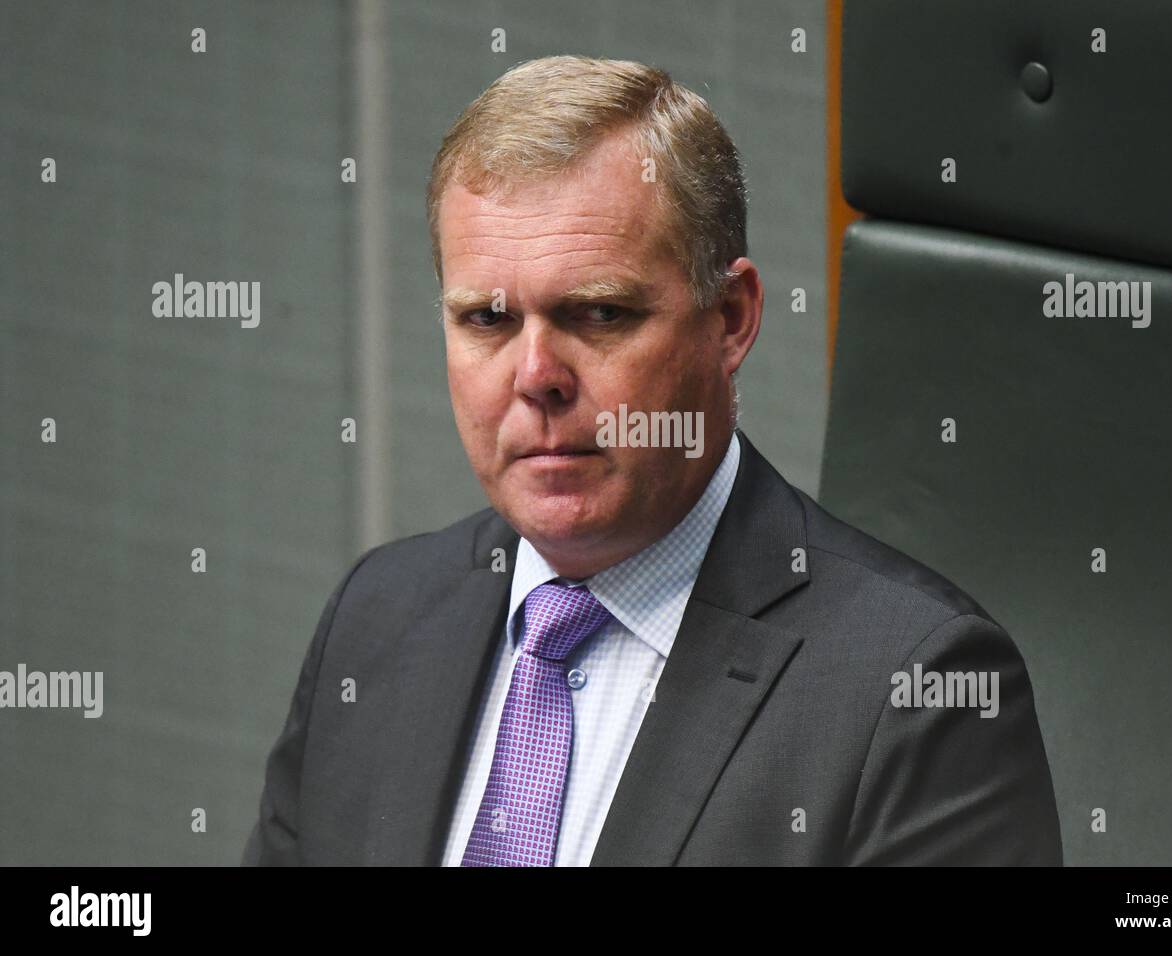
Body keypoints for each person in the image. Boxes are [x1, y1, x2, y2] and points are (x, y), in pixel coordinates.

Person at [242, 54, 1061, 866]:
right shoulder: (375, 620)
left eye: (599, 312)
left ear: (731, 320)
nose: (536, 379)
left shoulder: (912, 689)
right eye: (488, 320)